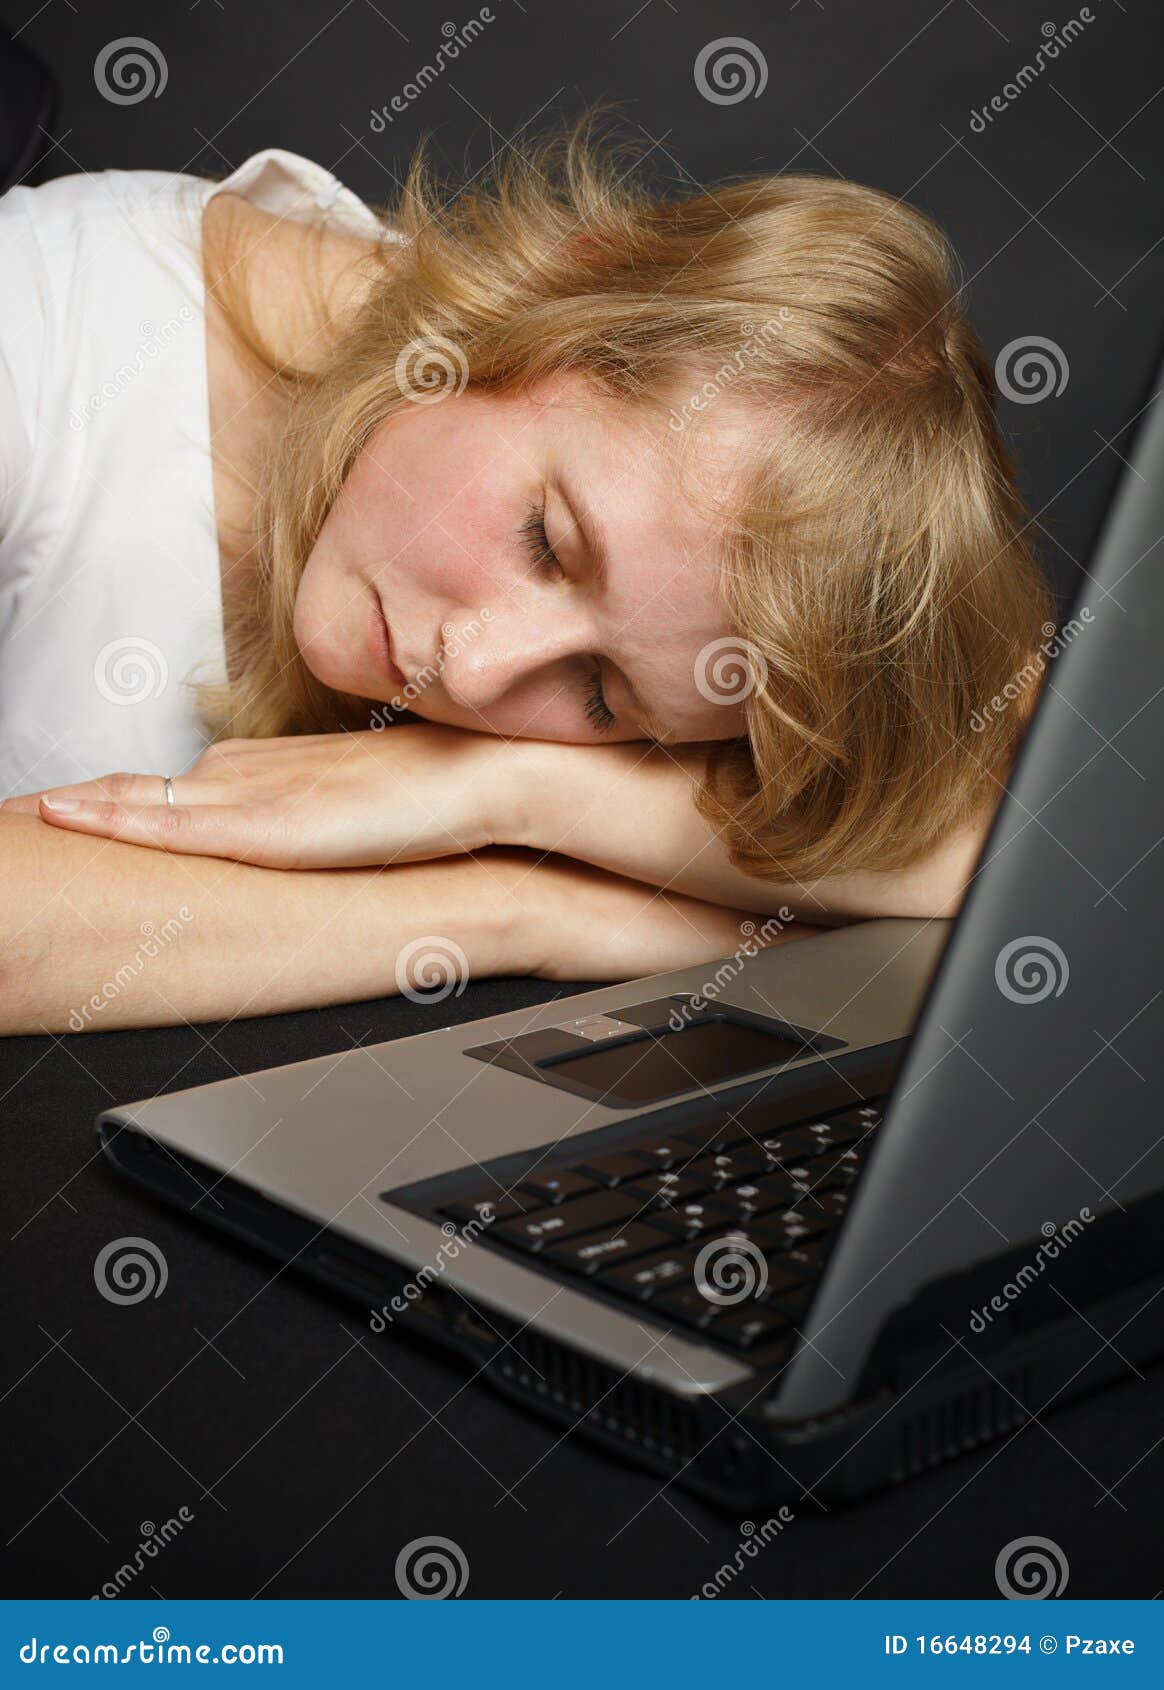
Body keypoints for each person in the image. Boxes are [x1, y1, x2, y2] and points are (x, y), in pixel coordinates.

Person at [0, 108, 1053, 1034]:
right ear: (565, 293)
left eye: (601, 695)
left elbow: (1059, 847)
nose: (478, 668)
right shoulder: (45, 334)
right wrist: (517, 909)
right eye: (546, 541)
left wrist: (526, 790)